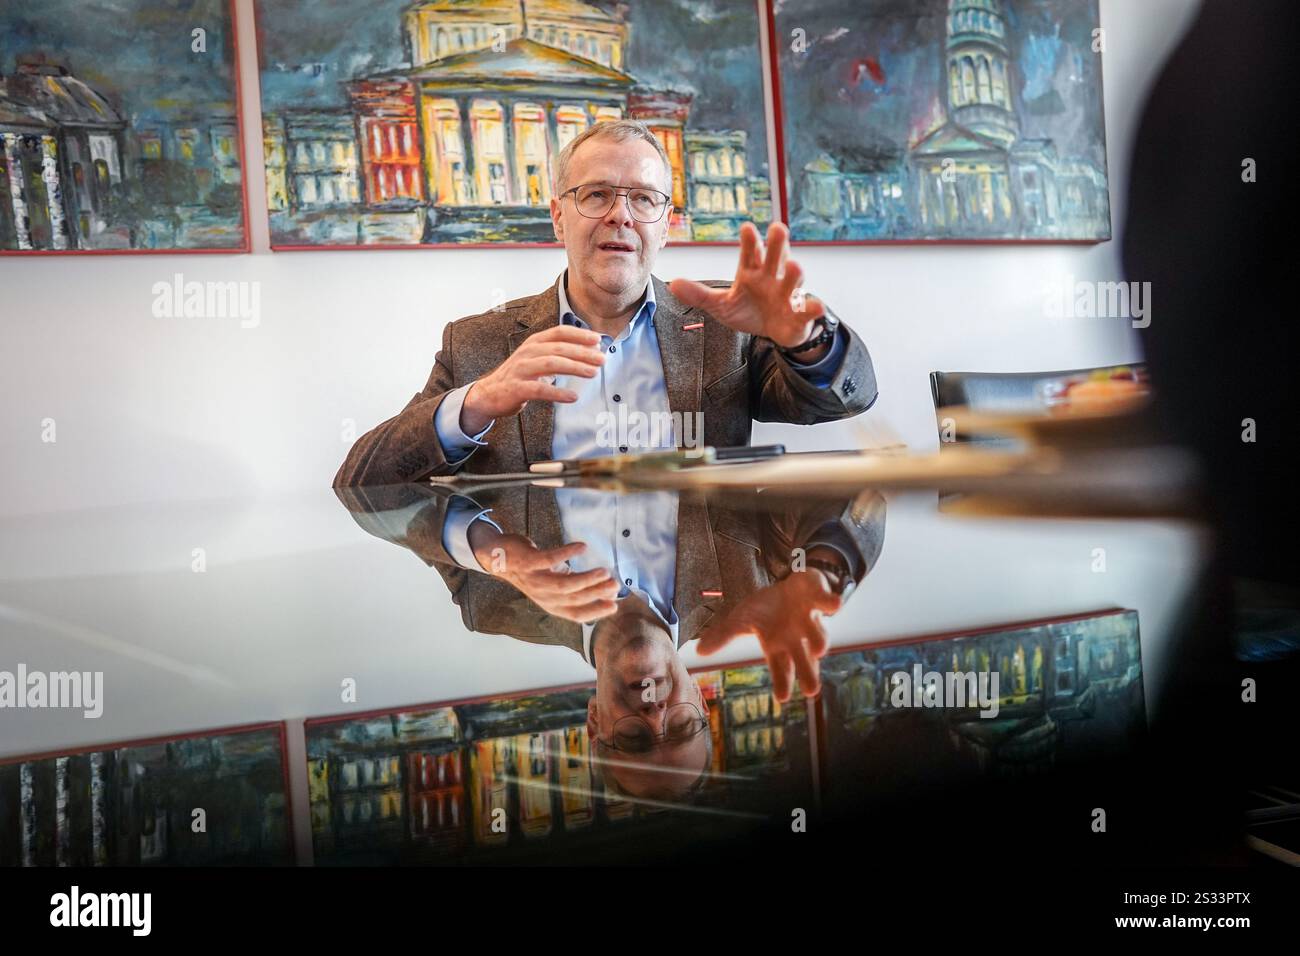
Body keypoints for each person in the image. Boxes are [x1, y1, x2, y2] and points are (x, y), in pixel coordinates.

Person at [334, 119, 878, 486]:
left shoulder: (725, 327)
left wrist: (807, 340)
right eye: (596, 195)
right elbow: (361, 479)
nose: (620, 215)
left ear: (665, 227)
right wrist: (477, 402)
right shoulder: (477, 344)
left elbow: (846, 401)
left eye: (643, 199)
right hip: (556, 601)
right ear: (557, 217)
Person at [334, 482, 887, 799]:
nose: (653, 711)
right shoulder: (752, 576)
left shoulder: (493, 606)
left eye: (637, 741)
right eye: (680, 726)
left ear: (595, 724)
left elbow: (378, 500)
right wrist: (820, 576)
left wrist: (488, 549)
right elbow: (861, 498)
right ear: (701, 698)